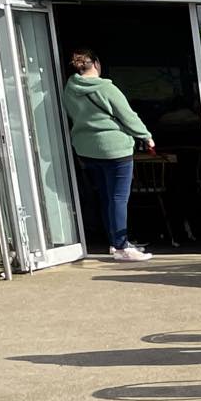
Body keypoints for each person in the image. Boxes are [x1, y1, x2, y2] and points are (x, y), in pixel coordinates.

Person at [61, 49, 156, 262]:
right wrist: (146, 136)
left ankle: (115, 243)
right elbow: (128, 115)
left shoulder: (69, 89)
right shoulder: (106, 88)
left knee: (106, 197)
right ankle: (122, 247)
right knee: (119, 198)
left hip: (86, 149)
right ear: (96, 63)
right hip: (114, 148)